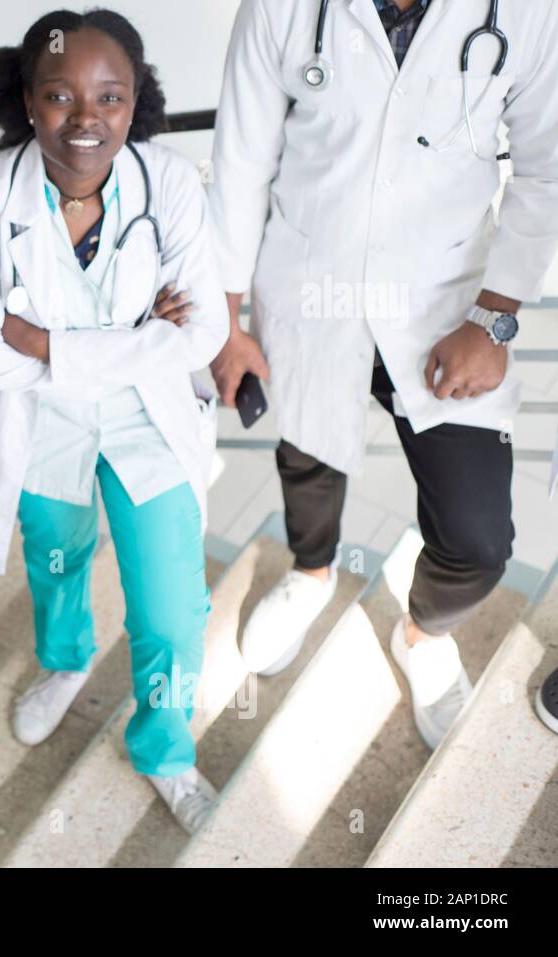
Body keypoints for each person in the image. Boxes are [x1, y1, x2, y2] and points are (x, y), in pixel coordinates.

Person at [208, 0, 558, 748]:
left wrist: (494, 316)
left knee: (478, 536)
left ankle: (424, 633)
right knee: (307, 453)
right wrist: (228, 319)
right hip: (311, 282)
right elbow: (241, 156)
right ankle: (310, 573)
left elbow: (546, 170)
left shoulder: (526, 12)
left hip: (446, 308)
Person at [0, 9, 228, 833]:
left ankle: (165, 748)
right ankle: (64, 664)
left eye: (111, 96)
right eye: (60, 95)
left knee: (171, 609)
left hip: (148, 422)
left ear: (138, 103)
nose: (86, 118)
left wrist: (45, 342)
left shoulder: (166, 183)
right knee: (57, 562)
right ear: (28, 100)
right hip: (44, 423)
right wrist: (137, 340)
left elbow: (202, 331)